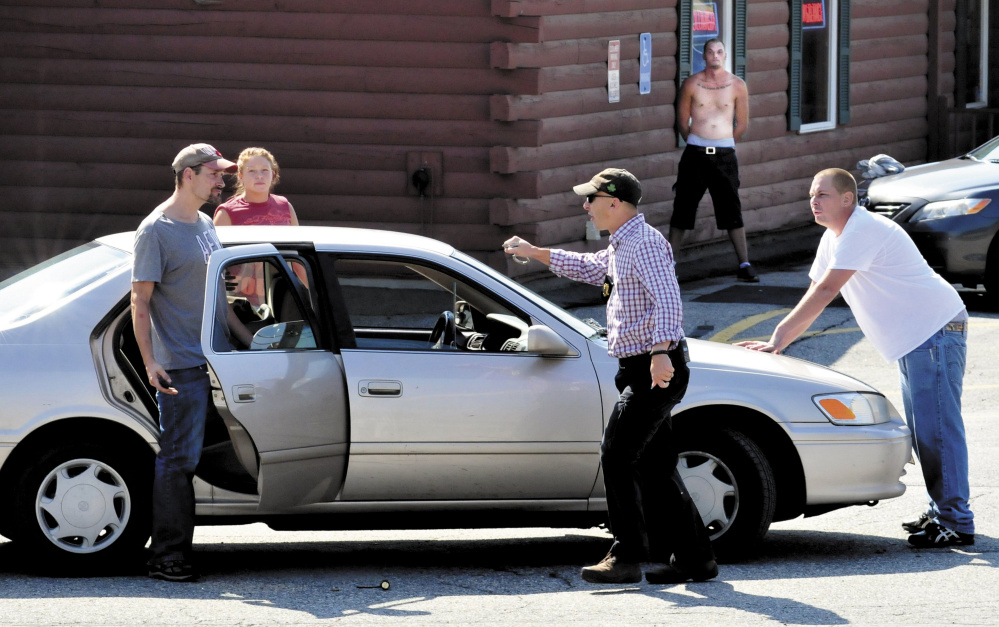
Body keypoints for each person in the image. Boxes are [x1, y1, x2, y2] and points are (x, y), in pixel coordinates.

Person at [738, 168, 974, 548]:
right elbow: (817, 286)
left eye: (823, 195)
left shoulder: (863, 229)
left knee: (938, 430)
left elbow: (829, 289)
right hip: (918, 337)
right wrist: (777, 340)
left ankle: (956, 522)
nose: (814, 201)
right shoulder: (834, 238)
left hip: (934, 331)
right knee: (926, 431)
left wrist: (778, 339)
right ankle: (943, 512)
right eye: (811, 195)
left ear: (848, 199)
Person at [504, 168, 718, 584]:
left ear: (615, 203)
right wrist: (535, 252)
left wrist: (660, 353)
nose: (586, 206)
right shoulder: (622, 243)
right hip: (637, 367)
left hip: (654, 369)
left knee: (617, 454)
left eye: (591, 199)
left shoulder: (646, 244)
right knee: (655, 467)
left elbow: (669, 302)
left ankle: (628, 555)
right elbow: (588, 267)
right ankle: (696, 558)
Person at [132, 143, 253, 582]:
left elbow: (217, 296)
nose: (222, 181)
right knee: (177, 461)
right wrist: (150, 362)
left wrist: (246, 342)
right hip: (179, 365)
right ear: (188, 175)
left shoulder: (203, 223)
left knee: (191, 457)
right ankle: (167, 557)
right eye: (214, 174)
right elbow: (140, 300)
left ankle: (174, 551)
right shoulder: (156, 231)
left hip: (214, 360)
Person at [670, 38, 757, 282]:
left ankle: (744, 263)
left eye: (719, 52)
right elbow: (682, 122)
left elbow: (742, 125)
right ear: (704, 56)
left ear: (725, 55)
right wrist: (700, 141)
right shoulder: (692, 84)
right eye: (710, 52)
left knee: (731, 208)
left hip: (724, 155)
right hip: (696, 154)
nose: (715, 56)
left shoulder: (737, 85)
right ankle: (669, 265)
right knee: (683, 207)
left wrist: (721, 143)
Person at [213, 147, 300, 226]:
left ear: (272, 175)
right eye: (251, 171)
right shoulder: (226, 213)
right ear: (241, 176)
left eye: (264, 170)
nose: (259, 176)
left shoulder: (285, 206)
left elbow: (298, 240)